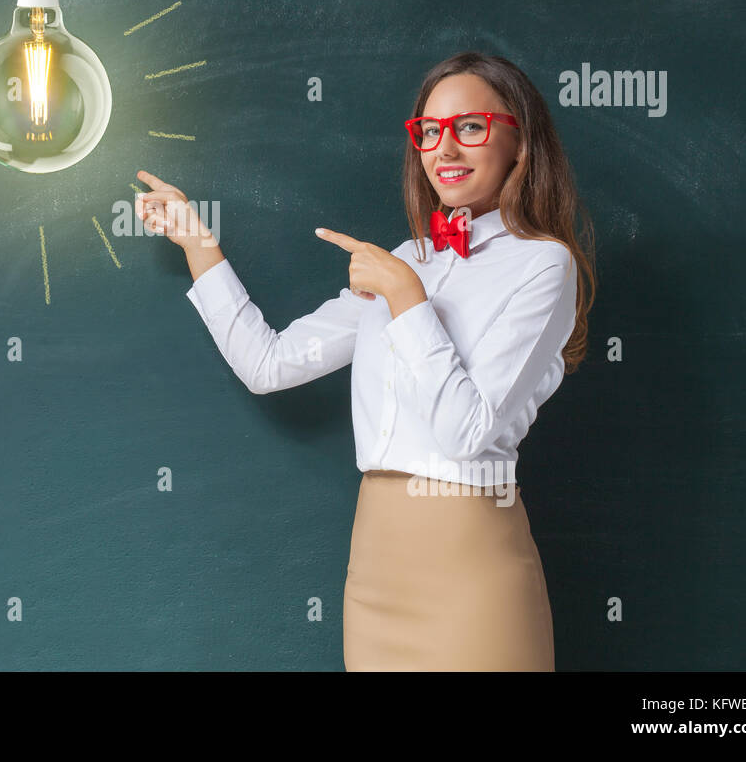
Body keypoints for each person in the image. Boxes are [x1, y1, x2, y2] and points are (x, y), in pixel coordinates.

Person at [134, 51, 596, 671]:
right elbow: (268, 364)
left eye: (470, 127)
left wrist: (406, 297)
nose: (445, 150)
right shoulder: (410, 256)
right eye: (429, 132)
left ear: (519, 139)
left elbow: (467, 431)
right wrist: (198, 244)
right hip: (375, 558)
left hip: (471, 557)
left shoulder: (543, 264)